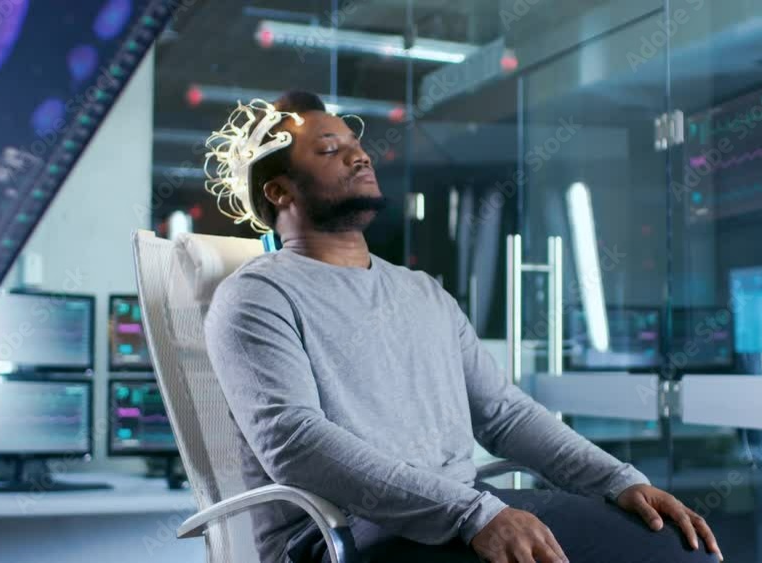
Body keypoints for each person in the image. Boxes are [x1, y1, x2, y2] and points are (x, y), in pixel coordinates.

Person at [202, 90, 723, 563]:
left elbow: (503, 414)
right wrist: (471, 514)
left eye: (356, 145)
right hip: (346, 535)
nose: (359, 156)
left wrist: (617, 481)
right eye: (329, 150)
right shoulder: (255, 297)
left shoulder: (422, 291)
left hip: (465, 510)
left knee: (677, 549)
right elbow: (295, 443)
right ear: (279, 191)